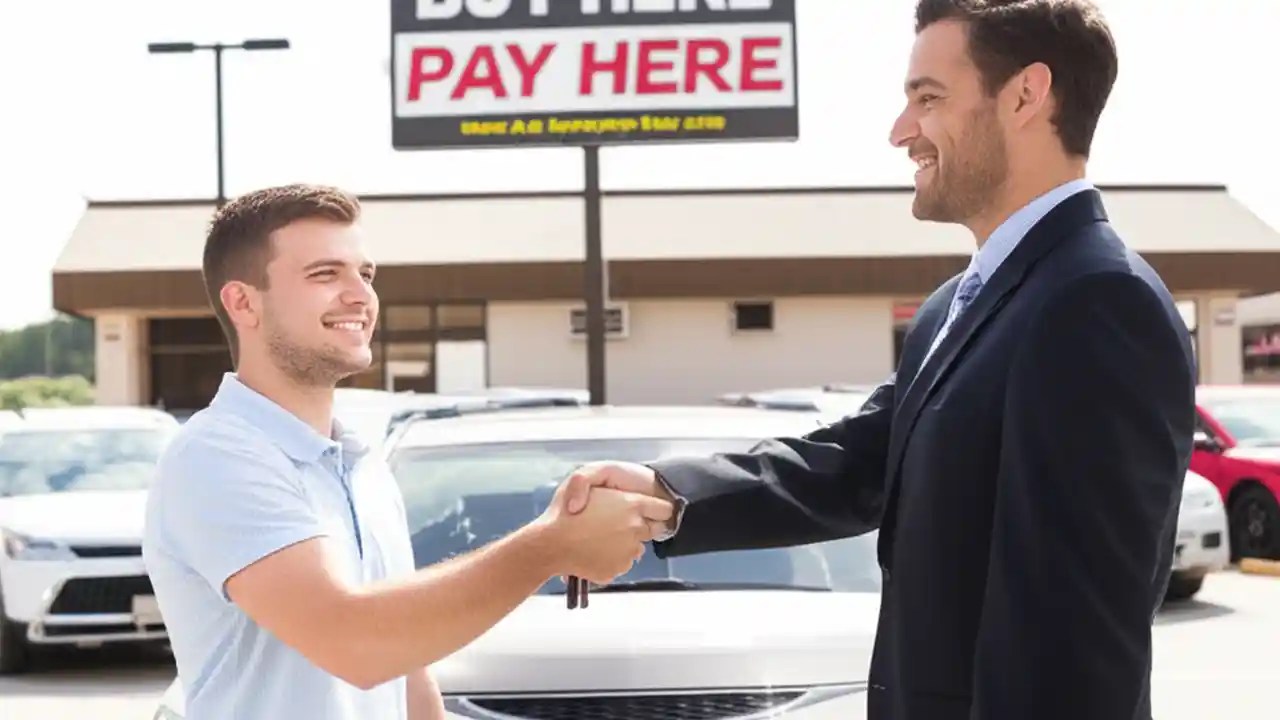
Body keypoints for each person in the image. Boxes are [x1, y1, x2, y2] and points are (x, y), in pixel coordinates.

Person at [561, 1, 1196, 719]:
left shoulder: (1100, 304)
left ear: (1026, 95)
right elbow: (859, 464)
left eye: (928, 99)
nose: (902, 132)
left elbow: (1079, 642)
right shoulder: (960, 303)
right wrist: (664, 494)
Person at [141, 184, 673, 720]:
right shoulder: (217, 457)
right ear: (243, 303)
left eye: (365, 274)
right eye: (325, 274)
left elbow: (406, 665)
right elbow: (353, 642)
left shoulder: (361, 463)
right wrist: (550, 546)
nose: (360, 295)